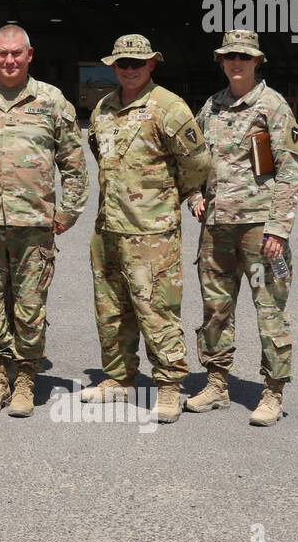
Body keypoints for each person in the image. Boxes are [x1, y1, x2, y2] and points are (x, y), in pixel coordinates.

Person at [0, 25, 88, 417]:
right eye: (2, 54)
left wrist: (68, 212)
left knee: (30, 307)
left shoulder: (52, 101)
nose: (9, 60)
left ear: (30, 55)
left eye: (16, 53)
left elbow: (74, 165)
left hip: (34, 227)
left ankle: (26, 378)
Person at [83, 34, 210, 423]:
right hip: (108, 226)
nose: (130, 69)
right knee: (112, 308)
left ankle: (169, 385)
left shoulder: (169, 107)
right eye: (123, 63)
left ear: (152, 65)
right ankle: (120, 377)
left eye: (137, 63)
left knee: (156, 308)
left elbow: (197, 162)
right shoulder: (103, 108)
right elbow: (98, 152)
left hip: (152, 232)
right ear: (114, 67)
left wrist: (178, 196)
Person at [186, 29, 298, 426]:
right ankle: (217, 383)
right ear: (221, 62)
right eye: (230, 57)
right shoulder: (213, 106)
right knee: (216, 309)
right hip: (217, 227)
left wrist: (278, 229)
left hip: (258, 228)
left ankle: (273, 391)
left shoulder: (272, 106)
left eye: (244, 57)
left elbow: (287, 172)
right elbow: (196, 158)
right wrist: (194, 196)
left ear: (257, 62)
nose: (237, 63)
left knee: (269, 309)